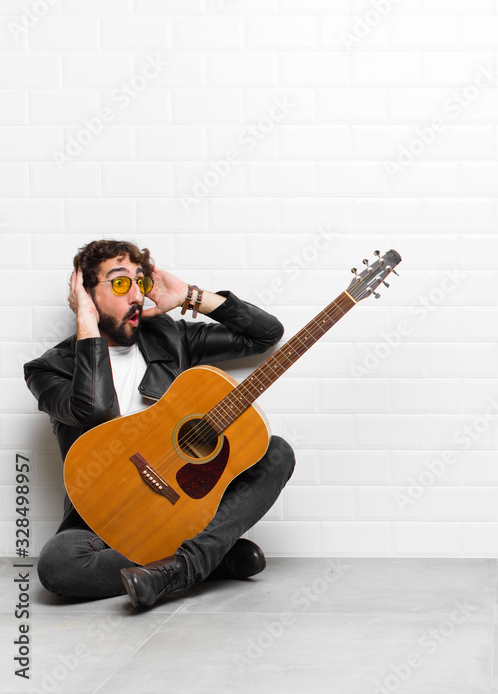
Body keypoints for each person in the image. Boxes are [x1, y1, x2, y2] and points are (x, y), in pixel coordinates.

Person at [23, 239, 295, 610]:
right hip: (100, 517)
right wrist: (86, 323)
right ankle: (209, 557)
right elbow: (95, 411)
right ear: (86, 293)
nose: (136, 295)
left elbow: (264, 334)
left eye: (141, 282)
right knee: (59, 565)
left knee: (276, 452)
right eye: (121, 284)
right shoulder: (49, 369)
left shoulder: (171, 338)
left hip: (177, 507)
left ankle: (179, 566)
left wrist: (191, 296)